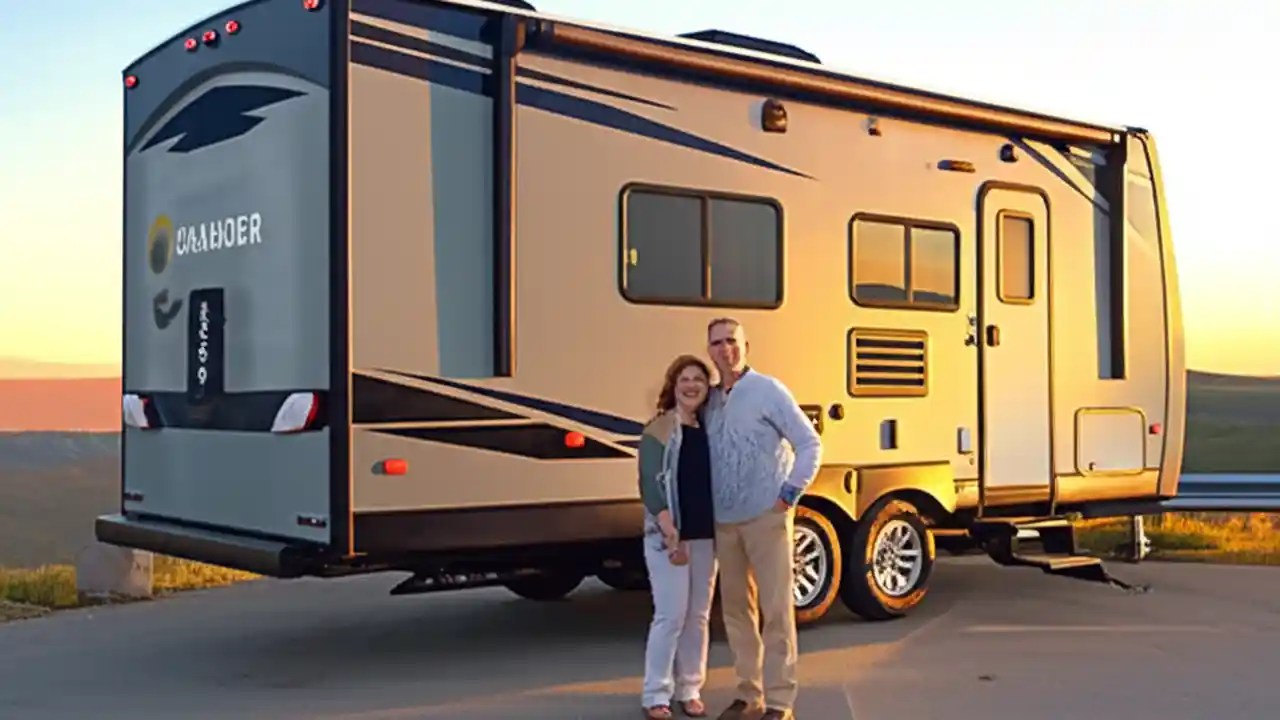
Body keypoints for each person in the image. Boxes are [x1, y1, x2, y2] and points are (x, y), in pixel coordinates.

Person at [701, 318, 822, 720]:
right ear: (709, 351)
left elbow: (809, 443)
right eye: (717, 343)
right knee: (736, 611)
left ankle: (780, 701)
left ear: (745, 345)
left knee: (776, 610)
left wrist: (788, 495)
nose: (725, 349)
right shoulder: (711, 400)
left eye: (731, 341)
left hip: (766, 519)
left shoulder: (767, 391)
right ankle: (747, 693)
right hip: (726, 522)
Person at [637, 354, 719, 719]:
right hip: (669, 535)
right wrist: (671, 531)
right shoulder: (659, 429)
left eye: (699, 380)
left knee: (698, 616)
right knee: (670, 615)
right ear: (673, 385)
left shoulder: (709, 428)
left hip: (705, 536)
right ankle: (656, 693)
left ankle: (690, 688)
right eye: (685, 379)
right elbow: (650, 484)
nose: (691, 386)